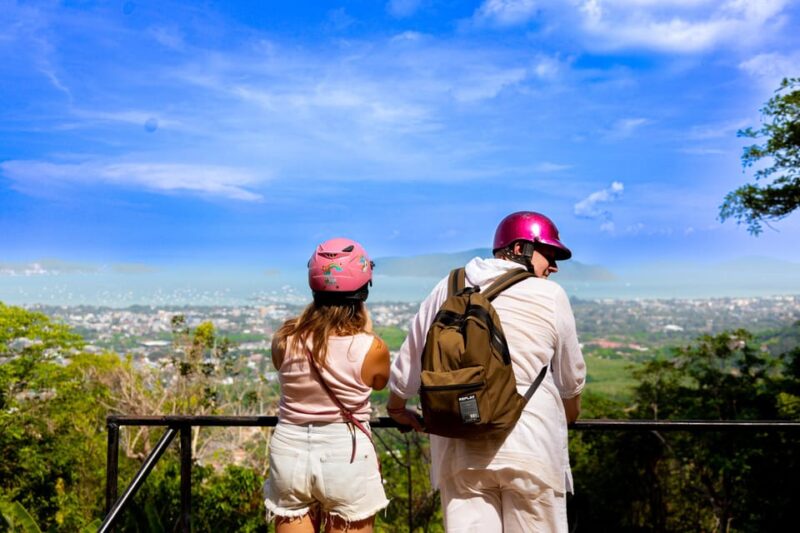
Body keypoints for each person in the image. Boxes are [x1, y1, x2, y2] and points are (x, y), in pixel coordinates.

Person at [387, 211, 586, 532]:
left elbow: (408, 366)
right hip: (531, 448)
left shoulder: (448, 286)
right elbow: (570, 381)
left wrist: (397, 409)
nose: (554, 265)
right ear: (521, 248)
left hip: (459, 448)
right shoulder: (551, 296)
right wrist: (569, 417)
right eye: (548, 254)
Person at [264, 237, 391, 533]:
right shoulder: (370, 347)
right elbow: (380, 382)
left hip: (289, 449)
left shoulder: (285, 339)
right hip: (344, 452)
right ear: (364, 289)